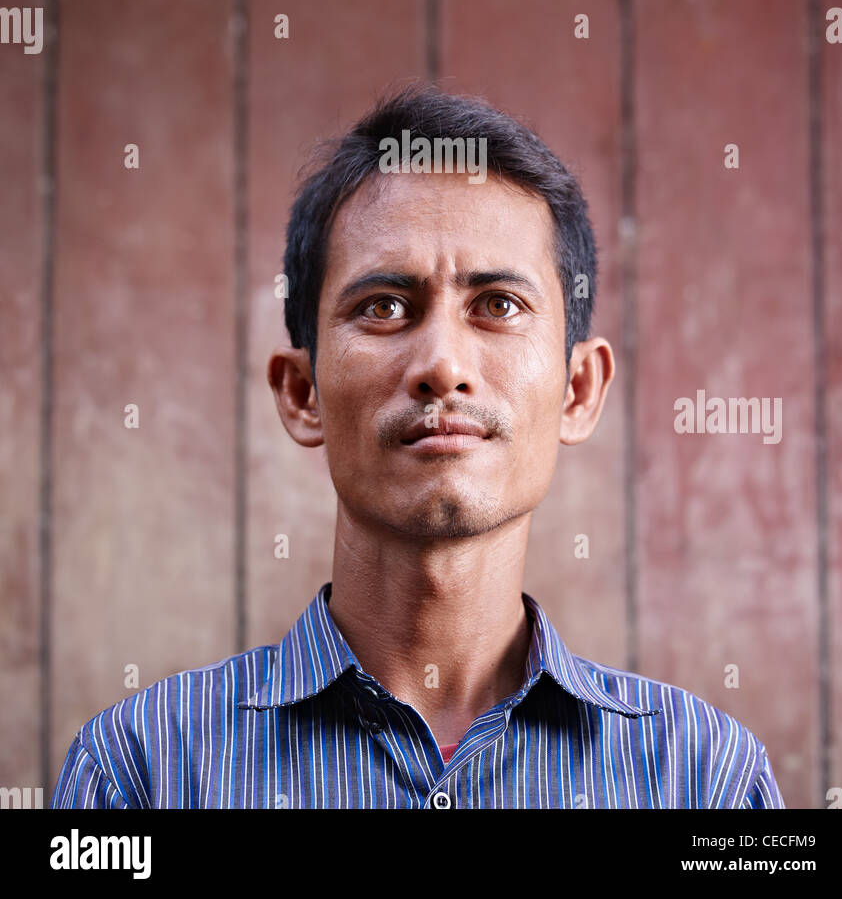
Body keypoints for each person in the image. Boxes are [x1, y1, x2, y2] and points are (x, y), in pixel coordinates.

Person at [50, 84, 784, 808]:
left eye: (498, 305)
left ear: (578, 388)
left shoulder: (702, 779)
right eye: (384, 307)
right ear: (301, 392)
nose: (443, 365)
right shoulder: (142, 774)